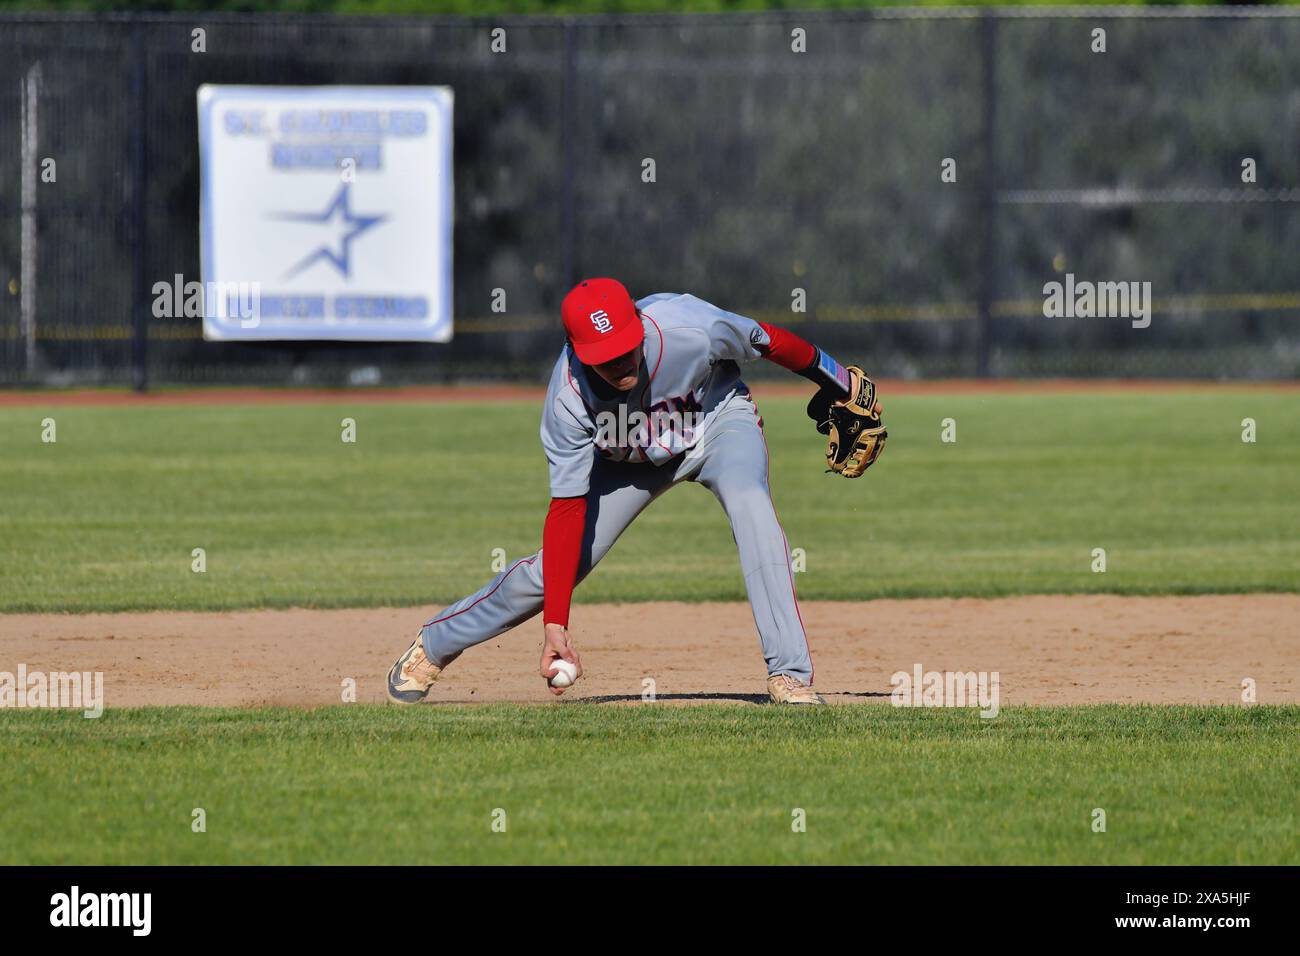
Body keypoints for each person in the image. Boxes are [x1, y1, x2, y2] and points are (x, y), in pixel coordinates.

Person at [387, 277, 882, 706]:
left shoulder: (689, 326)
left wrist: (837, 379)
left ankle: (790, 676)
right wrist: (555, 623)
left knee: (751, 503)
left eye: (626, 347)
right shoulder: (568, 400)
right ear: (574, 350)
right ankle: (434, 644)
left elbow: (767, 339)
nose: (621, 362)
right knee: (554, 571)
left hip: (714, 424)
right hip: (628, 462)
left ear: (639, 326)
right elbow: (566, 511)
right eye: (605, 358)